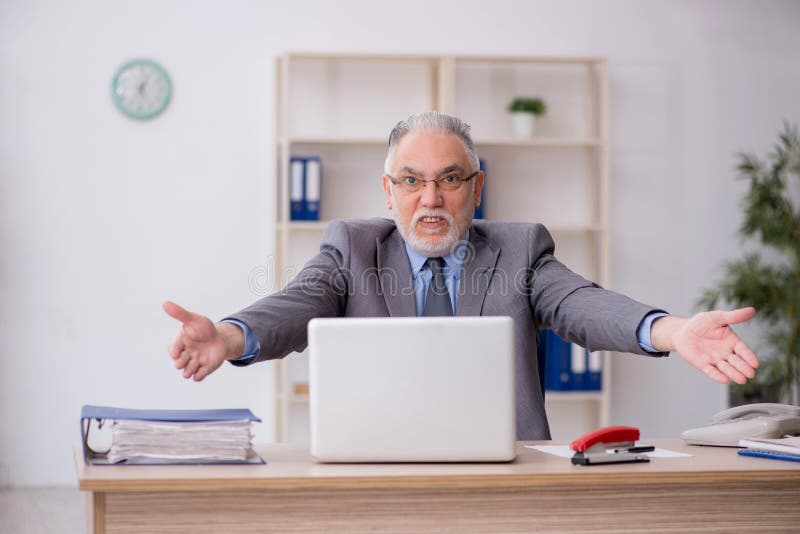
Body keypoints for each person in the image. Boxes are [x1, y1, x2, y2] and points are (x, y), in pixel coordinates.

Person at [164, 111, 760, 440]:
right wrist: (230, 335)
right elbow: (299, 303)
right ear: (388, 191)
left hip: (507, 470)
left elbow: (583, 304)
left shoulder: (520, 248)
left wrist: (673, 330)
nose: (431, 198)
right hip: (379, 465)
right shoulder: (352, 247)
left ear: (477, 188)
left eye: (450, 179)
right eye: (411, 181)